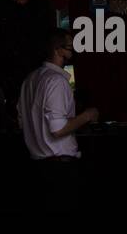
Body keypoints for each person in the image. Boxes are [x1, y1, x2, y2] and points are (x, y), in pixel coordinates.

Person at [17, 29, 99, 208]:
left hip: (38, 168)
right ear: (57, 49)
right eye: (70, 45)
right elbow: (58, 129)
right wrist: (88, 115)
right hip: (59, 171)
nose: (74, 49)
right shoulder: (56, 81)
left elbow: (23, 123)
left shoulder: (29, 80)